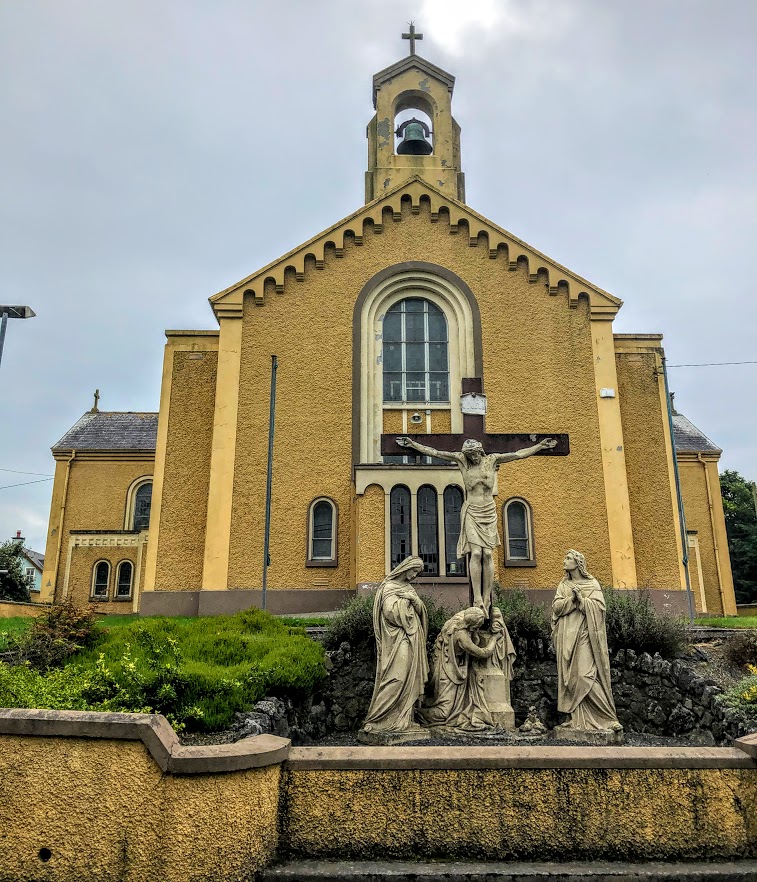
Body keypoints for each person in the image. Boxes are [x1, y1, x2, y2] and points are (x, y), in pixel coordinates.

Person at [396, 435, 556, 611]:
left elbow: (518, 454)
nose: (473, 458)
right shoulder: (462, 461)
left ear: (480, 451)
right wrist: (413, 445)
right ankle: (477, 598)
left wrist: (540, 446)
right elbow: (436, 452)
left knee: (488, 554)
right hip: (472, 510)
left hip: (488, 511)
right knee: (477, 553)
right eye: (470, 455)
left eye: (474, 454)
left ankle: (487, 597)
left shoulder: (492, 460)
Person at [551, 550, 622, 732]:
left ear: (578, 563)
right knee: (572, 679)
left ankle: (607, 717)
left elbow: (599, 609)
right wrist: (572, 599)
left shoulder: (592, 584)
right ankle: (577, 719)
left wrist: (582, 600)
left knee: (585, 675)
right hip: (567, 636)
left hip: (585, 634)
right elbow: (556, 608)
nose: (564, 560)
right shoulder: (564, 585)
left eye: (568, 558)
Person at [360, 556, 429, 737]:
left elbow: (421, 610)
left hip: (410, 638)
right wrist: (406, 602)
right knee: (396, 678)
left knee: (408, 678)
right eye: (414, 571)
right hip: (396, 640)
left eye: (418, 573)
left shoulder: (408, 589)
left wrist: (414, 601)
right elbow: (390, 613)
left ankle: (403, 719)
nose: (414, 576)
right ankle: (378, 719)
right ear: (406, 568)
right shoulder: (389, 587)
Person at [420, 606, 499, 732]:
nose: (477, 630)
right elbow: (484, 653)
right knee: (444, 712)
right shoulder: (461, 636)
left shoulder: (460, 617)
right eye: (476, 628)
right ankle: (415, 714)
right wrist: (494, 638)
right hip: (448, 671)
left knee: (443, 707)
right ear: (471, 625)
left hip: (445, 663)